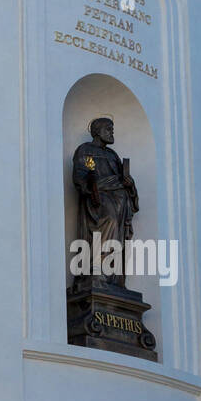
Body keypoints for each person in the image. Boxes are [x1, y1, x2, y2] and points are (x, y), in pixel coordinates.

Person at [72, 117, 138, 279]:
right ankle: (99, 267)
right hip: (99, 199)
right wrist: (90, 186)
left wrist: (129, 184)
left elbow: (122, 178)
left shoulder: (112, 155)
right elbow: (81, 177)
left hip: (119, 199)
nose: (112, 132)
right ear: (96, 132)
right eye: (108, 129)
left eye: (112, 129)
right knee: (110, 220)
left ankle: (113, 276)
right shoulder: (85, 150)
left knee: (117, 229)